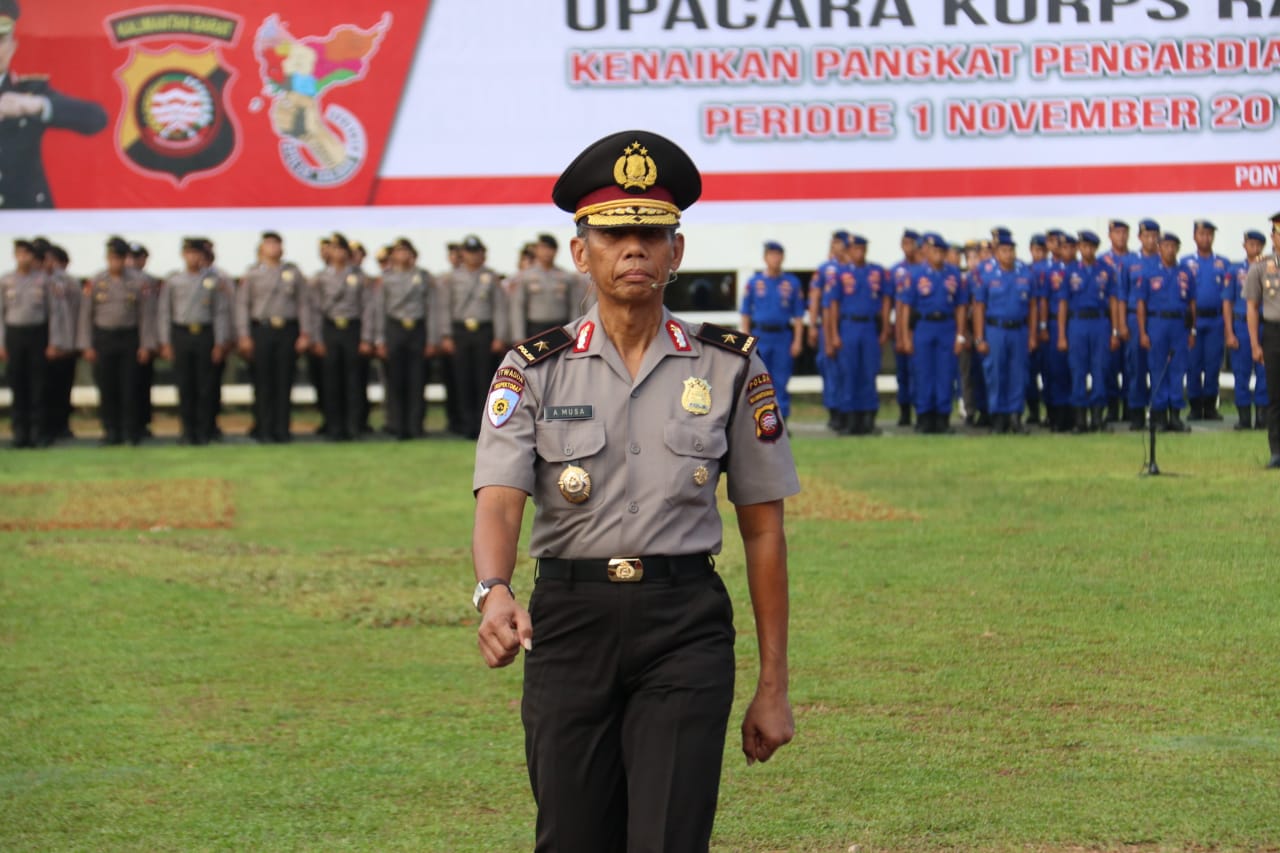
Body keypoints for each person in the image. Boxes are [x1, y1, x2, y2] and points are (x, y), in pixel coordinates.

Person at [471, 128, 797, 853]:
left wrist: (773, 683)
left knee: (668, 840)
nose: (635, 250)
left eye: (652, 233)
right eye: (615, 234)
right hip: (568, 626)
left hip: (683, 624)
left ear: (676, 251)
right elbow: (497, 496)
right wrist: (492, 587)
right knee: (572, 837)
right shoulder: (533, 370)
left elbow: (764, 530)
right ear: (581, 250)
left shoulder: (730, 368)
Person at [0, 0, 108, 209]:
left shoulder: (28, 92)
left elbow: (96, 118)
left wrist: (36, 105)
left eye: (0, 39)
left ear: (13, 47)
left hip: (24, 217)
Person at [77, 236, 155, 445]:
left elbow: (145, 316)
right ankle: (111, 430)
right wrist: (86, 345)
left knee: (130, 386)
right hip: (104, 338)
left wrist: (146, 345)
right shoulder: (96, 282)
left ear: (125, 258)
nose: (116, 262)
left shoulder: (139, 281)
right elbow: (86, 316)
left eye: (119, 258)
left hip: (129, 338)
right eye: (112, 258)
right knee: (107, 386)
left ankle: (130, 431)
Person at [157, 238, 232, 445]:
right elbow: (165, 312)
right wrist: (165, 342)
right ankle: (187, 430)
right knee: (185, 384)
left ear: (202, 256)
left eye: (196, 254)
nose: (193, 258)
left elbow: (220, 312)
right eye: (189, 253)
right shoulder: (174, 281)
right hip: (181, 334)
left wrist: (219, 342)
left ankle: (205, 430)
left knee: (205, 385)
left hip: (205, 334)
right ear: (183, 255)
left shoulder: (213, 280)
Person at [237, 231, 309, 443]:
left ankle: (282, 429)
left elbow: (304, 304)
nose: (273, 248)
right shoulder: (252, 274)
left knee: (284, 381)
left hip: (287, 329)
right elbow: (243, 305)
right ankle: (264, 428)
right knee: (263, 382)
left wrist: (306, 333)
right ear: (261, 249)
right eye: (269, 244)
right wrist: (244, 335)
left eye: (277, 244)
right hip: (262, 329)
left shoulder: (293, 273)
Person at [305, 232, 375, 441]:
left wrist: (366, 338)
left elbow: (367, 309)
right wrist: (316, 339)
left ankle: (353, 427)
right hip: (330, 328)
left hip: (352, 328)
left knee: (354, 381)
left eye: (342, 250)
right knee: (331, 381)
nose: (339, 253)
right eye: (335, 249)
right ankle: (334, 427)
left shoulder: (360, 278)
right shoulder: (320, 278)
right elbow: (315, 311)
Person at [438, 235, 509, 439]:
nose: (473, 256)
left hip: (484, 330)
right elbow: (445, 307)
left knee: (484, 379)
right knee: (462, 379)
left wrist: (499, 336)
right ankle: (464, 423)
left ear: (482, 254)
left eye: (476, 252)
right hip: (460, 330)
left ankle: (483, 424)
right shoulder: (451, 278)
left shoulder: (491, 277)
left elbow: (499, 308)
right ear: (463, 255)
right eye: (469, 252)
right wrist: (446, 335)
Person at [1, 238, 69, 447]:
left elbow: (54, 314)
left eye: (27, 254)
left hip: (37, 336)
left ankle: (38, 433)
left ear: (33, 257)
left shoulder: (44, 281)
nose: (23, 258)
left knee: (38, 386)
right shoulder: (6, 281)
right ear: (15, 256)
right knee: (18, 385)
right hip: (14, 335)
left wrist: (54, 342)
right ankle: (20, 434)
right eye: (19, 254)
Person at [897, 232, 966, 434]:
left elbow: (961, 306)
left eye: (941, 251)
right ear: (926, 252)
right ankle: (925, 416)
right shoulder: (916, 274)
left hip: (946, 326)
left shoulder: (953, 274)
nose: (937, 254)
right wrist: (905, 336)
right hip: (924, 326)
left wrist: (960, 335)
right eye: (934, 250)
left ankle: (943, 417)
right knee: (923, 373)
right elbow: (905, 308)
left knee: (945, 373)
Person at [823, 234, 889, 434]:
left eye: (862, 248)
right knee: (849, 372)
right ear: (849, 251)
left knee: (868, 372)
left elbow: (885, 301)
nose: (859, 252)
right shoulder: (840, 274)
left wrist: (885, 328)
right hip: (849, 325)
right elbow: (833, 305)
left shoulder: (876, 272)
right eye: (855, 249)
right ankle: (850, 419)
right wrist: (833, 333)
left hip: (869, 326)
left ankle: (868, 418)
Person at [373, 237, 439, 439]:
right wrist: (379, 339)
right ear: (392, 256)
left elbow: (432, 308)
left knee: (417, 379)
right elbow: (379, 310)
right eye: (398, 251)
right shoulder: (385, 279)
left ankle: (415, 425)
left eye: (406, 251)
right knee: (395, 380)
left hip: (417, 329)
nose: (402, 255)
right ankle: (397, 425)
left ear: (413, 255)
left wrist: (432, 339)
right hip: (395, 328)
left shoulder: (423, 277)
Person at [971, 232, 1035, 434]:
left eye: (1011, 250)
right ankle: (997, 417)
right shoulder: (985, 272)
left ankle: (1015, 416)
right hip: (995, 329)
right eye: (1004, 251)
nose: (1008, 254)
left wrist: (1033, 335)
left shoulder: (1024, 271)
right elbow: (979, 306)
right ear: (997, 252)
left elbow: (1033, 306)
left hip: (1019, 329)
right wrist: (979, 337)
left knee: (1018, 373)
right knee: (995, 373)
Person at [1136, 232, 1196, 432]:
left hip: (1179, 326)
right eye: (1166, 246)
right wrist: (1143, 332)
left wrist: (1192, 330)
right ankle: (1159, 416)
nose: (1170, 250)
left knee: (1178, 370)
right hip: (1157, 323)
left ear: (1178, 249)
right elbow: (1141, 304)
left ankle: (1175, 416)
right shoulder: (1149, 272)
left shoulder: (1185, 273)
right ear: (1159, 248)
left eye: (1173, 246)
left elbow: (1192, 303)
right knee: (1158, 370)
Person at [1057, 230, 1115, 432]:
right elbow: (1063, 304)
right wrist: (1062, 334)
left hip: (1100, 323)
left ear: (1096, 248)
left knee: (1100, 369)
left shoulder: (1106, 270)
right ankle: (1080, 419)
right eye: (1083, 246)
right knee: (1078, 370)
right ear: (1079, 248)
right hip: (1077, 324)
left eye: (1090, 246)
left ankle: (1098, 418)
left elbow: (1114, 301)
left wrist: (1115, 330)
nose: (1087, 250)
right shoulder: (1070, 271)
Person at [740, 240, 804, 422]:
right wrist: (746, 340)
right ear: (765, 258)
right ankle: (762, 419)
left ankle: (782, 419)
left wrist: (797, 341)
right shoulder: (754, 283)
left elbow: (798, 316)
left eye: (778, 255)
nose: (774, 259)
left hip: (783, 336)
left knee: (781, 379)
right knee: (759, 380)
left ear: (782, 258)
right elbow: (745, 314)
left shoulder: (791, 283)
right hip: (761, 336)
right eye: (771, 255)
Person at [1183, 219, 1230, 421]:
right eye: (1202, 234)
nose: (1206, 238)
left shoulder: (1222, 263)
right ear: (1195, 236)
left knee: (1212, 364)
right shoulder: (1185, 263)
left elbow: (1227, 296)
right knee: (1193, 364)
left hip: (1215, 321)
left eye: (1209, 234)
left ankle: (1210, 406)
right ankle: (1194, 406)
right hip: (1194, 320)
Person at [1243, 212, 1280, 467]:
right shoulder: (1260, 267)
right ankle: (1277, 451)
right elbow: (1252, 307)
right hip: (1273, 333)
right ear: (1273, 237)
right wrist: (1255, 344)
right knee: (1275, 395)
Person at [1224, 230, 1268, 432]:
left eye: (1259, 245)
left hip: (1264, 324)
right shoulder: (1234, 270)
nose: (1255, 248)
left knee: (1264, 372)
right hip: (1241, 324)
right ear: (1244, 246)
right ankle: (1243, 417)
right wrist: (1229, 332)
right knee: (1241, 372)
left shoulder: (1269, 269)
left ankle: (1261, 417)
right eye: (1251, 244)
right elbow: (1227, 302)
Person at [509, 233, 584, 341]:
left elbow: (574, 306)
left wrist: (576, 332)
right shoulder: (525, 276)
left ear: (556, 251)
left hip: (561, 327)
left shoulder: (566, 276)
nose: (547, 252)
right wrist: (519, 336)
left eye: (550, 248)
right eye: (543, 248)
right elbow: (518, 307)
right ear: (536, 250)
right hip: (535, 328)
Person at [810, 230, 849, 430]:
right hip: (828, 324)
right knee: (831, 368)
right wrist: (813, 325)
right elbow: (816, 297)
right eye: (837, 243)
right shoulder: (826, 269)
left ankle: (848, 410)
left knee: (849, 370)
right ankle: (834, 411)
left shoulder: (852, 269)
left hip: (850, 324)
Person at [1099, 219, 1135, 423]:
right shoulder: (1102, 261)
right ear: (1110, 235)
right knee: (1110, 366)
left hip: (1129, 319)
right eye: (1116, 233)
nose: (1120, 237)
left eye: (1124, 233)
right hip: (1106, 321)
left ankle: (1130, 406)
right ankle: (1112, 407)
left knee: (1130, 365)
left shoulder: (1134, 259)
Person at [41, 241, 78, 440]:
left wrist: (73, 343)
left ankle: (61, 426)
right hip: (39, 342)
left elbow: (75, 314)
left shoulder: (68, 283)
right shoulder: (37, 282)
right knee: (41, 388)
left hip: (65, 343)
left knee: (62, 387)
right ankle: (42, 427)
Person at [126, 242, 160, 438]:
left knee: (143, 383)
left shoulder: (151, 282)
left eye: (137, 257)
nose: (132, 261)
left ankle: (142, 422)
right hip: (127, 337)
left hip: (147, 339)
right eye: (130, 257)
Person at [888, 229, 920, 426]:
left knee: (919, 372)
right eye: (905, 243)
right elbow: (893, 303)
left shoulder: (923, 270)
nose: (908, 247)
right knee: (903, 373)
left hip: (919, 326)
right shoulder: (896, 270)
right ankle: (904, 411)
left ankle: (919, 410)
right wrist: (900, 335)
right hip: (902, 326)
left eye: (912, 243)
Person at [1024, 234, 1049, 425]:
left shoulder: (1051, 270)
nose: (1038, 253)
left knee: (1049, 371)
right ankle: (1033, 411)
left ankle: (1050, 411)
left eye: (1042, 249)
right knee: (1029, 372)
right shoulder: (1025, 271)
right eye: (1035, 249)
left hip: (1048, 326)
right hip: (1027, 327)